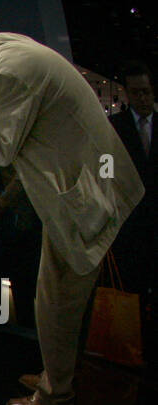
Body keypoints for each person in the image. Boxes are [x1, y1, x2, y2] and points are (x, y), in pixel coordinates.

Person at [0, 17, 144, 405]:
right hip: (86, 187)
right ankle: (57, 376)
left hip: (82, 200)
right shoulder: (4, 49)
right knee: (59, 296)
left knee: (55, 301)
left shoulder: (7, 69)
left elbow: (1, 148)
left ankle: (57, 397)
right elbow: (0, 110)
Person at [109, 60, 156, 349]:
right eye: (136, 93)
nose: (142, 98)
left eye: (147, 92)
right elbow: (105, 168)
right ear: (126, 94)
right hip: (129, 222)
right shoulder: (115, 128)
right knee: (130, 288)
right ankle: (132, 344)